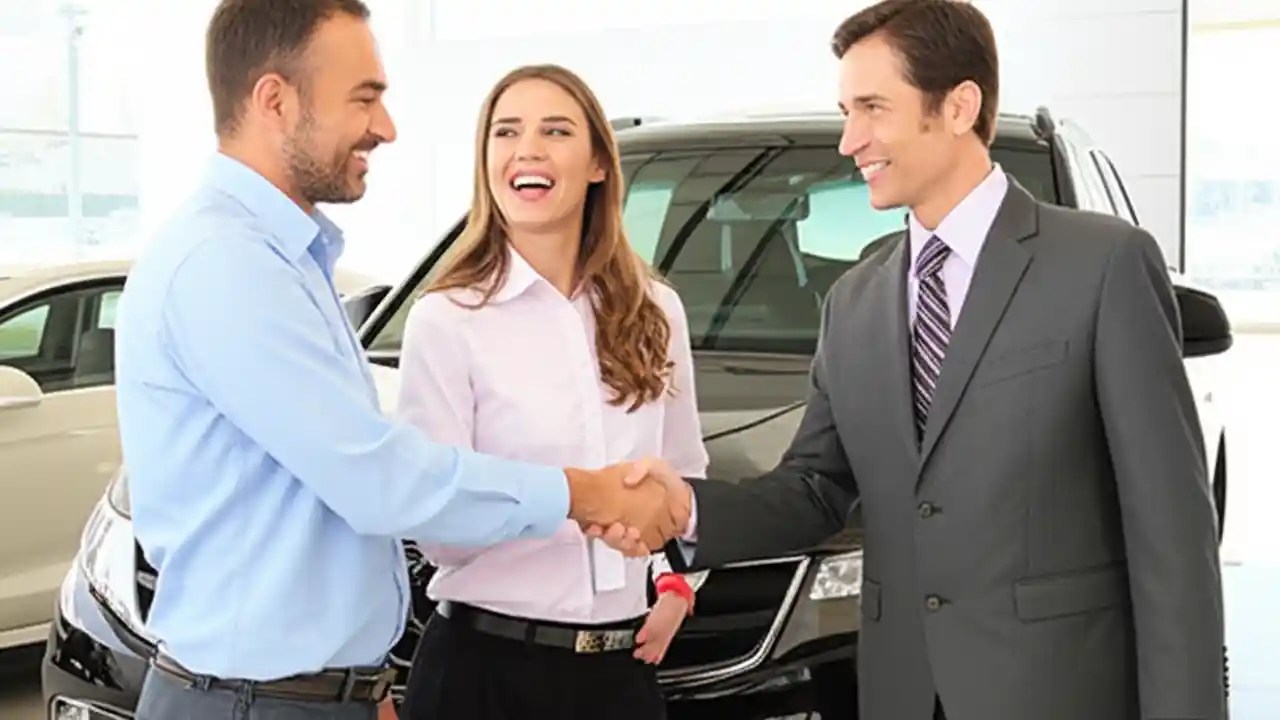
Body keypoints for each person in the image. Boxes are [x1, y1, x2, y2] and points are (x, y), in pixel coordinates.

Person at [597, 1, 1228, 719]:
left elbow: (1173, 542)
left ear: (959, 105)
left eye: (872, 108)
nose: (849, 140)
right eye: (845, 110)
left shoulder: (1102, 265)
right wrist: (684, 506)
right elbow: (816, 491)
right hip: (900, 691)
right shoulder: (855, 302)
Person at [114, 3, 681, 719]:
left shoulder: (280, 260)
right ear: (275, 101)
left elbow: (324, 502)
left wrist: (367, 686)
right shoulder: (225, 265)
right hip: (255, 704)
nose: (385, 127)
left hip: (309, 696)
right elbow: (377, 478)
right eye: (365, 97)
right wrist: (583, 492)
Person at [393, 63, 706, 720]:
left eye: (555, 130)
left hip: (622, 678)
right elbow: (441, 528)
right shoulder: (447, 320)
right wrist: (575, 501)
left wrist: (676, 580)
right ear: (487, 163)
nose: (527, 149)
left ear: (597, 163)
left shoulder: (658, 311)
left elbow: (682, 482)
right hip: (483, 677)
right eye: (506, 132)